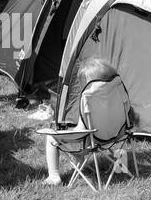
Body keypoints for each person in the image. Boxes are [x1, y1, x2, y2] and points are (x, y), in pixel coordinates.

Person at [43, 57, 121, 185]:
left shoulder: (88, 98)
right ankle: (82, 163)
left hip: (92, 141)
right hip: (116, 135)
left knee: (51, 136)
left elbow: (80, 131)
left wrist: (64, 130)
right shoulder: (117, 91)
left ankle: (54, 176)